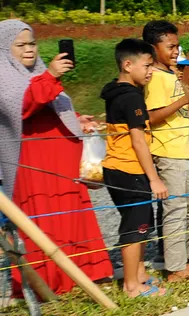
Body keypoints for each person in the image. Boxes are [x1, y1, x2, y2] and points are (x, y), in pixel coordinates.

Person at [0, 20, 111, 295]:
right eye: (21, 45)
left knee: (74, 214)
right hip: (33, 163)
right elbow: (23, 106)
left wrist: (76, 119)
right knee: (45, 219)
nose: (29, 50)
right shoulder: (4, 75)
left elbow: (49, 108)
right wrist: (50, 74)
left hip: (61, 158)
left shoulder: (37, 73)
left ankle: (87, 273)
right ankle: (50, 284)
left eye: (32, 43)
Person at [141, 20, 189, 283]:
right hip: (167, 150)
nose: (175, 51)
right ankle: (174, 267)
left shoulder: (171, 75)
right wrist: (185, 99)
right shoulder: (154, 78)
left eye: (177, 45)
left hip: (184, 149)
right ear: (153, 48)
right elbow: (150, 116)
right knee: (176, 207)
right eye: (170, 46)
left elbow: (176, 110)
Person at [101, 39, 166, 298]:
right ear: (128, 65)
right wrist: (154, 179)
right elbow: (138, 141)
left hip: (117, 168)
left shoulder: (114, 91)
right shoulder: (130, 97)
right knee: (134, 225)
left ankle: (140, 275)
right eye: (147, 66)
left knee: (142, 222)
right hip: (129, 169)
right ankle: (131, 286)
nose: (150, 71)